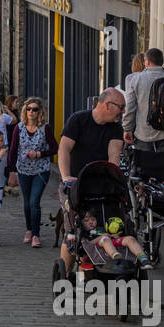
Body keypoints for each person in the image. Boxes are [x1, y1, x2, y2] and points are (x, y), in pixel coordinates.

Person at [57, 87, 126, 275]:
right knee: (73, 230)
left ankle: (96, 268)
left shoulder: (115, 128)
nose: (122, 112)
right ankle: (66, 273)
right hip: (75, 185)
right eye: (121, 107)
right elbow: (64, 149)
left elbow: (114, 156)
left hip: (100, 186)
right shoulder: (78, 120)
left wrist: (114, 180)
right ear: (107, 105)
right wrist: (65, 177)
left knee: (102, 225)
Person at [7, 96, 56, 247]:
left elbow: (55, 148)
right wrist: (11, 172)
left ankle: (36, 235)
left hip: (41, 171)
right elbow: (13, 150)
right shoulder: (19, 128)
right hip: (23, 170)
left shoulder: (45, 128)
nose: (31, 112)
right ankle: (29, 229)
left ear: (40, 112)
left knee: (35, 202)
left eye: (34, 109)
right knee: (27, 203)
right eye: (28, 109)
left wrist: (40, 154)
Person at [123, 47, 164, 152]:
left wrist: (127, 128)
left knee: (145, 166)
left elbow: (130, 107)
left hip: (143, 133)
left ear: (147, 62)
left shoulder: (136, 79)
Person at [81, 210, 153, 271]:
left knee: (130, 239)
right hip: (98, 245)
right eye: (86, 221)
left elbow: (109, 235)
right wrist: (101, 237)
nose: (90, 222)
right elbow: (88, 244)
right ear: (81, 223)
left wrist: (114, 236)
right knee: (105, 239)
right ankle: (115, 255)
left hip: (110, 241)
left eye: (93, 219)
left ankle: (144, 260)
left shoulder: (102, 228)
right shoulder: (85, 233)